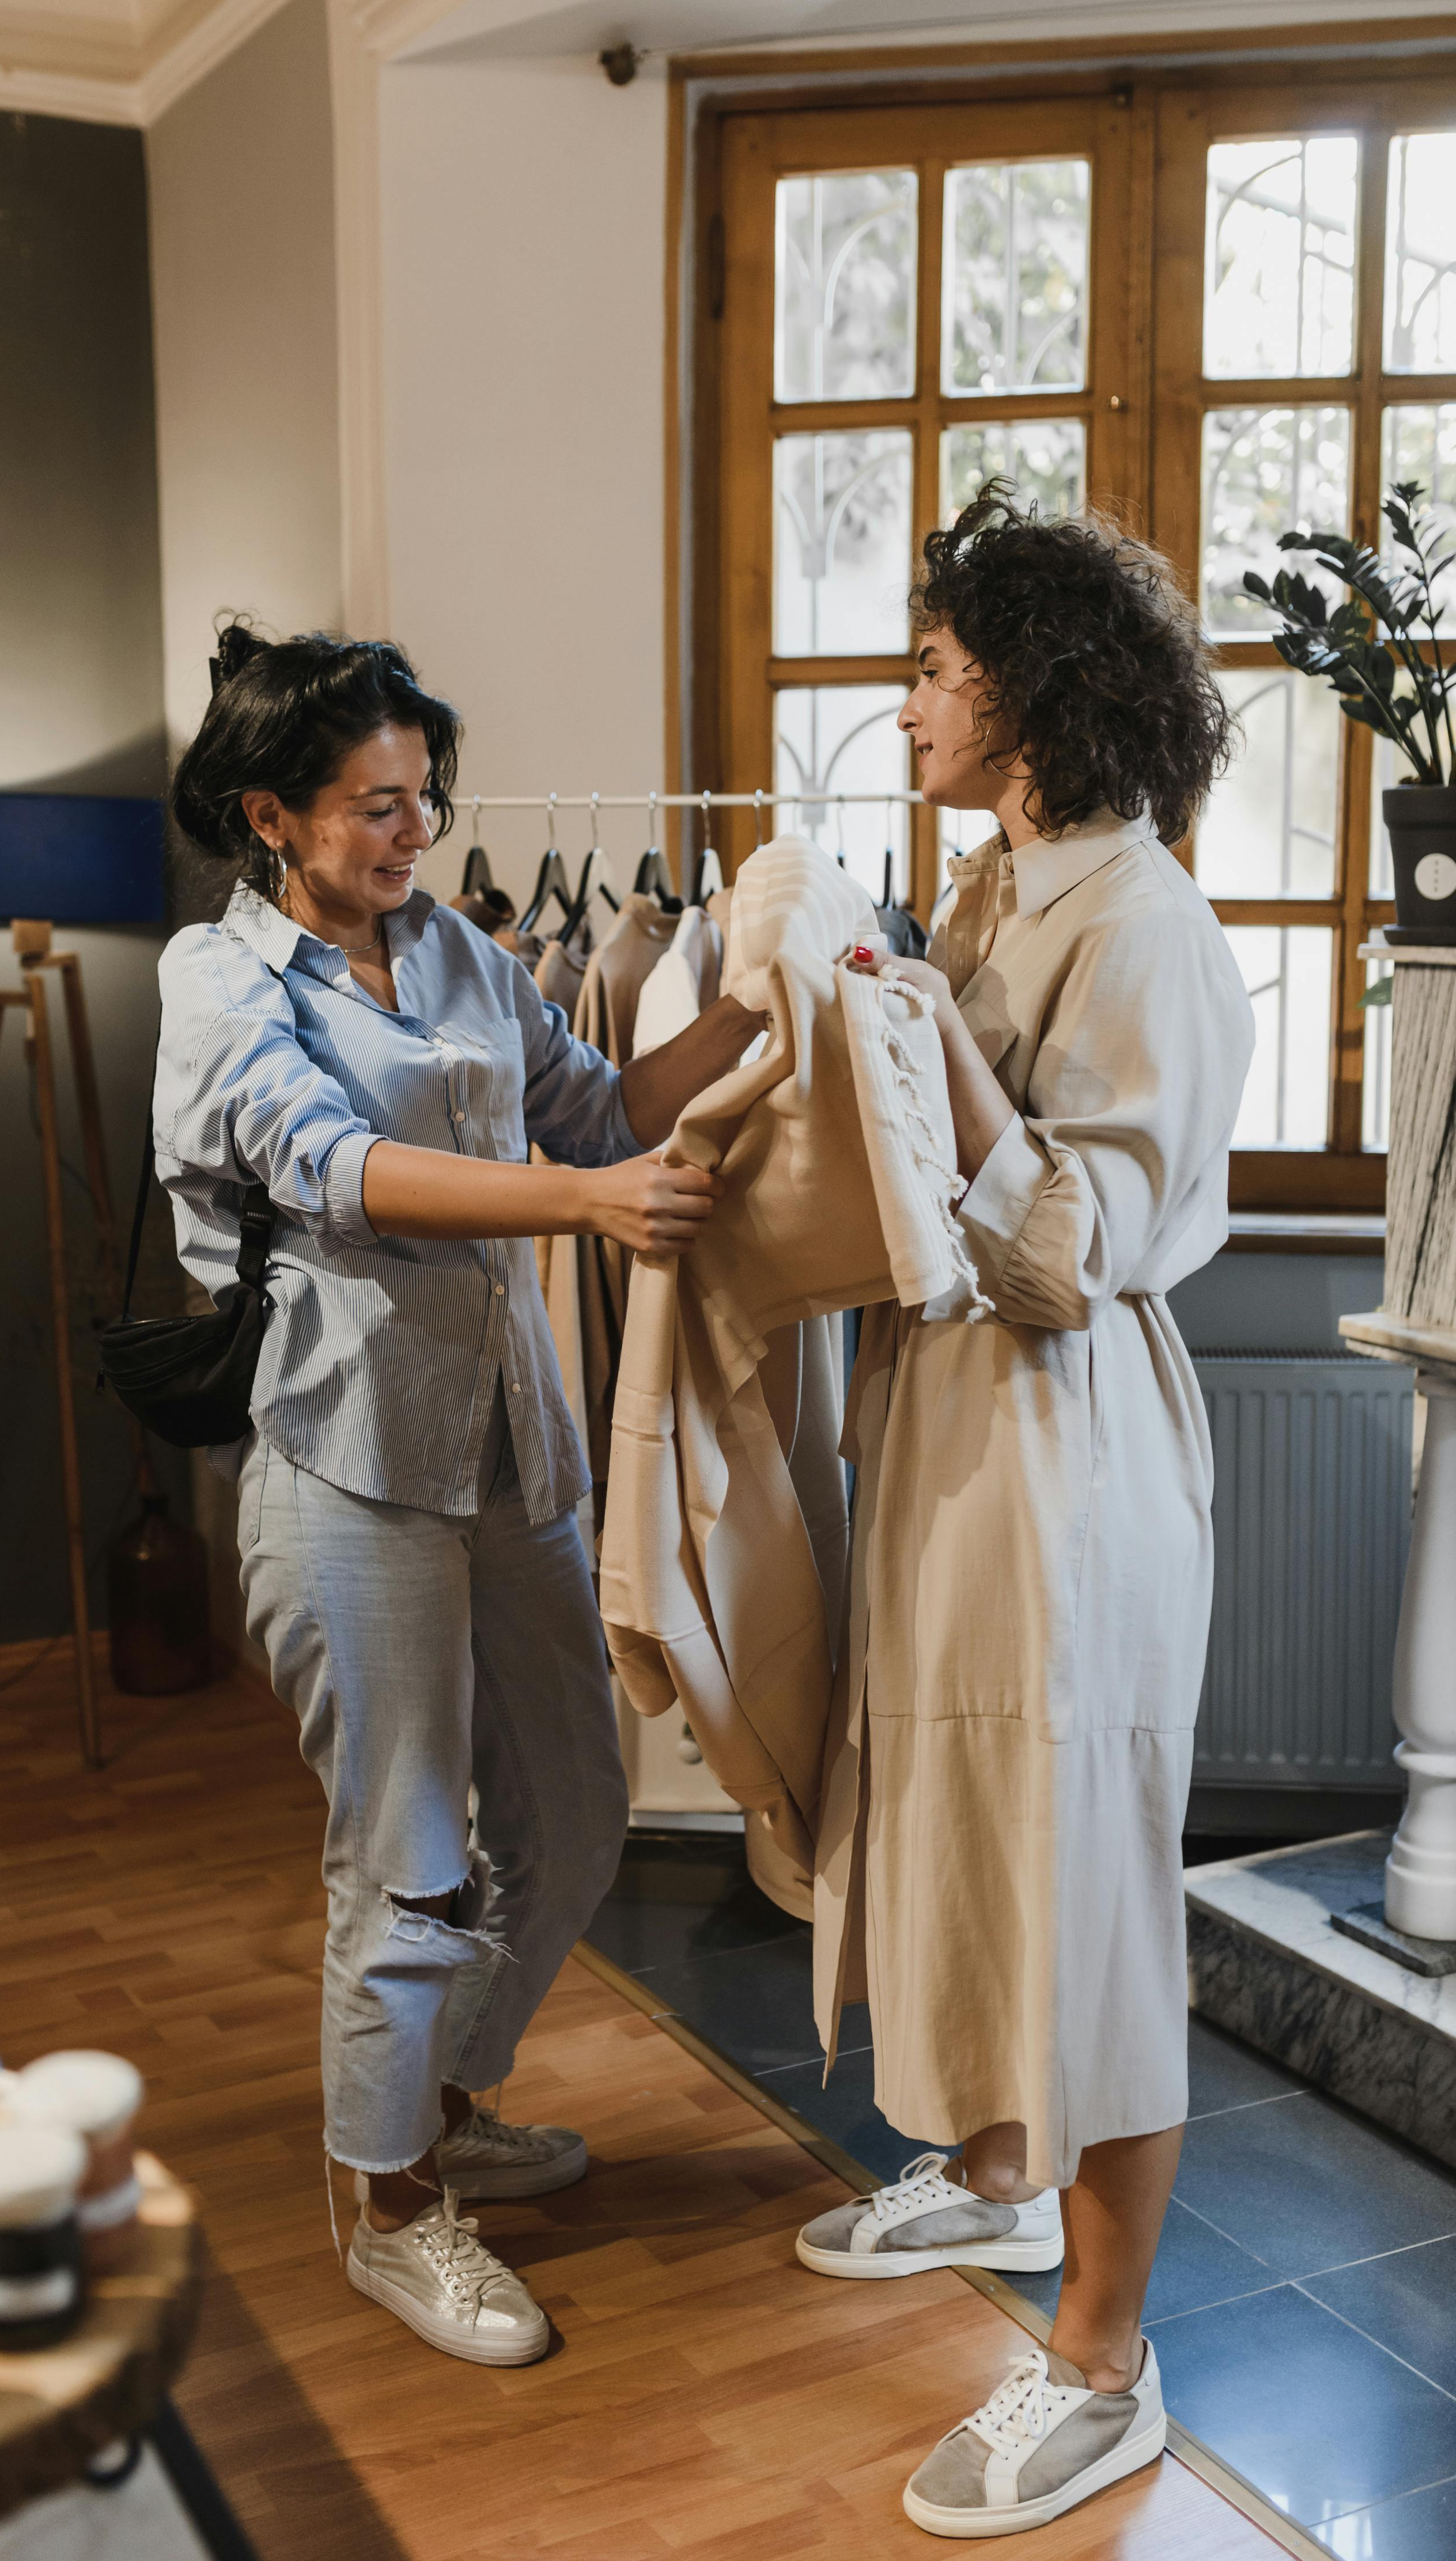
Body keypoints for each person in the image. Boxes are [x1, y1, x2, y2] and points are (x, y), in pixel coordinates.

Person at [156, 625, 763, 2369]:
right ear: (270, 811)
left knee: (573, 1812)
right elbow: (329, 1170)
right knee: (407, 1857)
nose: (408, 834)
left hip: (512, 1450)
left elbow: (604, 1110)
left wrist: (758, 997)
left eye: (423, 799)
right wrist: (578, 1207)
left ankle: (438, 2089)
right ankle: (392, 2202)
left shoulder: (467, 957)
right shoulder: (225, 981)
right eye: (370, 807)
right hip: (348, 1462)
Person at [793, 492, 1254, 2536]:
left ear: (1031, 699)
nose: (904, 709)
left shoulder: (1143, 924)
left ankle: (1103, 2358)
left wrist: (920, 1042)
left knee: (1089, 1901)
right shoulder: (995, 887)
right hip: (963, 1442)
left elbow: (1079, 1243)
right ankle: (998, 2180)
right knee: (977, 1846)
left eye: (931, 675)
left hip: (1070, 1458)